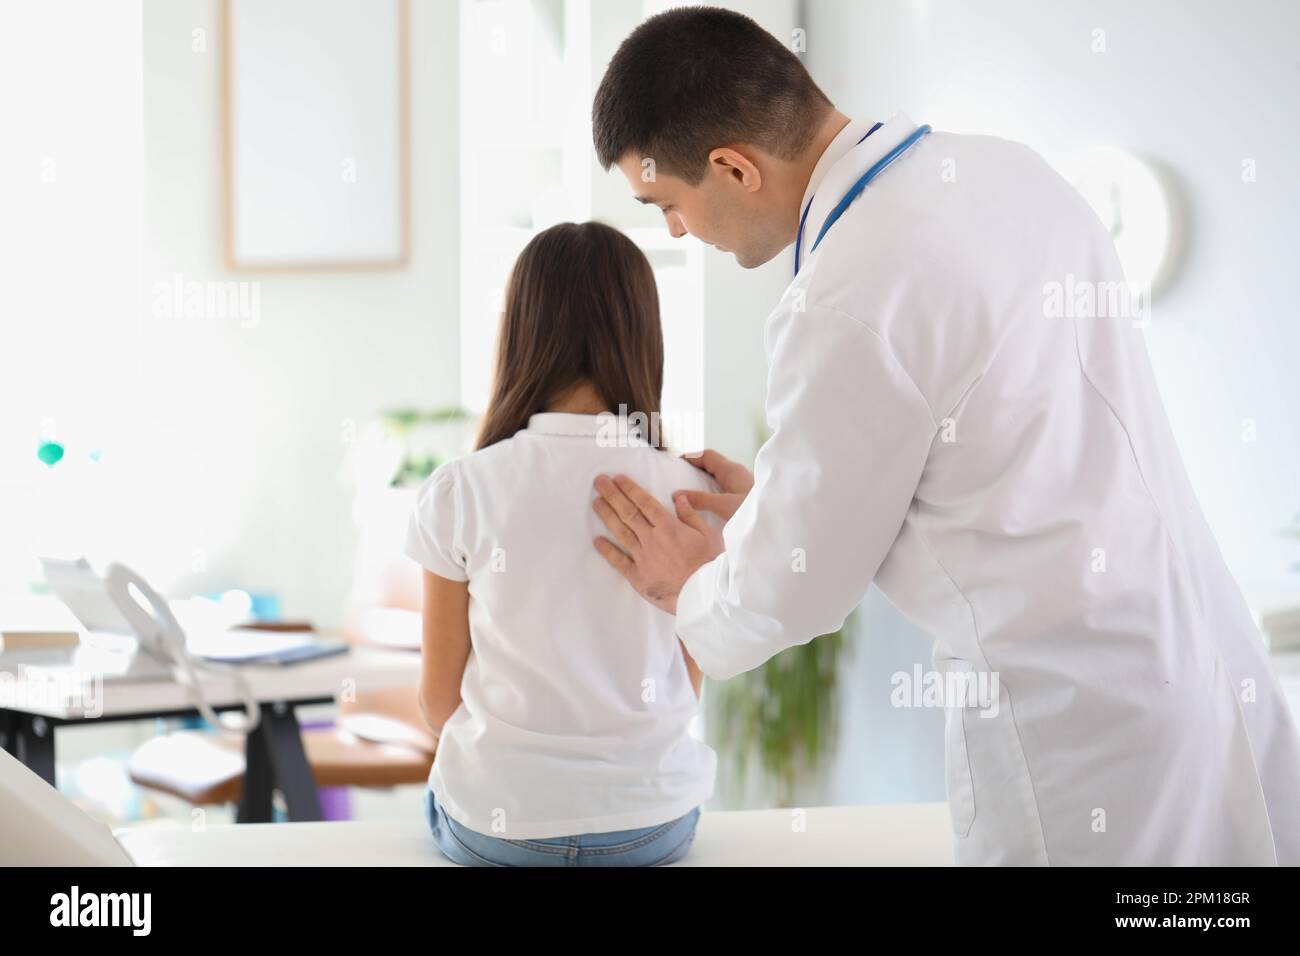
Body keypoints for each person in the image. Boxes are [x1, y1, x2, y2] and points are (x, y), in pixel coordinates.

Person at [587, 5, 1300, 865]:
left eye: (665, 203)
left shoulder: (844, 298)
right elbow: (995, 456)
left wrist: (692, 583)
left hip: (1078, 737)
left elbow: (793, 593)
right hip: (1205, 670)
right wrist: (774, 511)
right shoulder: (1010, 172)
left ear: (733, 168)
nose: (674, 232)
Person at [406, 221, 716, 866]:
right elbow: (687, 687)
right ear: (642, 333)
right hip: (649, 825)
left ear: (520, 330)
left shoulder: (460, 490)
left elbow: (439, 706)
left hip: (497, 828)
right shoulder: (696, 494)